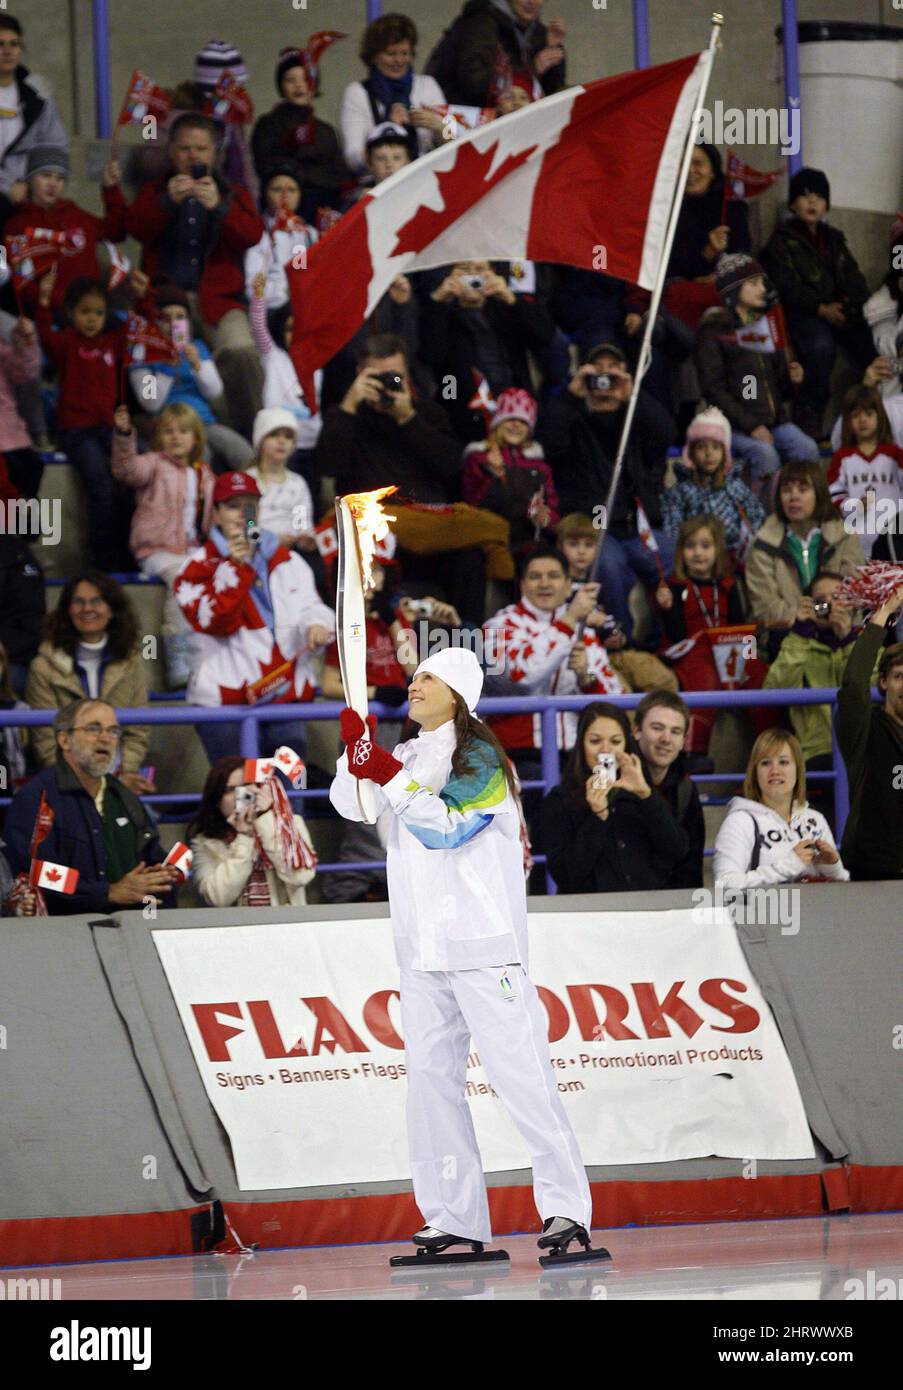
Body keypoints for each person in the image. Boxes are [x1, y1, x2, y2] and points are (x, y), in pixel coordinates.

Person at [330, 644, 598, 1260]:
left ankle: (566, 1214)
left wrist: (383, 772)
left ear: (458, 694)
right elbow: (352, 804)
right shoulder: (404, 754)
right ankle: (455, 1219)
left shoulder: (483, 760)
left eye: (428, 676)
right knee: (431, 1085)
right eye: (414, 674)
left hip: (484, 949)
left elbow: (444, 827)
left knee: (522, 1078)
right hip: (421, 953)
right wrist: (355, 755)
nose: (413, 682)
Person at [316, 333, 495, 625]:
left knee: (469, 561)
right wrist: (349, 404)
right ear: (360, 375)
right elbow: (328, 465)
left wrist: (408, 418)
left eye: (395, 377)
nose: (387, 385)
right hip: (374, 538)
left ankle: (467, 648)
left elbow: (451, 465)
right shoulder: (346, 416)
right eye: (378, 376)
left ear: (407, 375)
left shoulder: (427, 413)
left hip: (427, 534)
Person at [174, 470, 334, 766]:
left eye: (250, 505)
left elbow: (311, 605)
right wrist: (236, 566)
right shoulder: (194, 569)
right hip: (225, 704)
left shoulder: (288, 559)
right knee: (240, 798)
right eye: (233, 505)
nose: (242, 514)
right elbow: (215, 621)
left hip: (286, 698)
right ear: (216, 513)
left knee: (289, 796)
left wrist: (318, 623)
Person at [124, 113, 265, 440]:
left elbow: (252, 235)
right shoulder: (155, 189)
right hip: (163, 302)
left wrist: (220, 207)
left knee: (242, 351)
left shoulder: (232, 191)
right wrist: (165, 203)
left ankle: (245, 437)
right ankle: (161, 436)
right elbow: (134, 228)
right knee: (149, 358)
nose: (193, 156)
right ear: (171, 151)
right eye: (185, 148)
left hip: (218, 300)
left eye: (201, 148)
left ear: (215, 153)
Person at [537, 342, 677, 636]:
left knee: (676, 557)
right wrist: (570, 397)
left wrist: (632, 397)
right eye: (596, 372)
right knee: (610, 570)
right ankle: (617, 640)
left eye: (612, 371)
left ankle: (672, 640)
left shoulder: (633, 419)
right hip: (593, 529)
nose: (604, 380)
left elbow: (666, 433)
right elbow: (548, 444)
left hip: (636, 528)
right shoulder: (570, 417)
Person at [4, 698, 179, 914]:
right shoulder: (35, 798)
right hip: (67, 932)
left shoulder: (124, 797)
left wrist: (163, 875)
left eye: (113, 731)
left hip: (132, 925)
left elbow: (151, 852)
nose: (106, 738)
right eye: (94, 728)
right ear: (64, 740)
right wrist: (107, 892)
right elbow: (37, 872)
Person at [35, 266, 149, 571]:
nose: (92, 319)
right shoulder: (67, 343)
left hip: (110, 430)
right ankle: (103, 561)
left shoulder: (113, 342)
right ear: (71, 313)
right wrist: (44, 301)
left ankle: (129, 553)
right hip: (77, 432)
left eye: (98, 312)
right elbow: (45, 335)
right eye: (84, 311)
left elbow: (141, 324)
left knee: (130, 482)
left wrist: (142, 296)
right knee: (100, 487)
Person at [319, 560, 418, 904]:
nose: (371, 580)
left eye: (377, 572)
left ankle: (399, 881)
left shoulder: (394, 620)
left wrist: (392, 622)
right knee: (364, 809)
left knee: (402, 804)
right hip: (364, 730)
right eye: (364, 572)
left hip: (402, 731)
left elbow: (413, 667)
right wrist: (378, 694)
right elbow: (329, 683)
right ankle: (352, 888)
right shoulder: (345, 622)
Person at [483, 546, 624, 775]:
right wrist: (568, 621)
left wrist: (587, 679)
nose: (545, 584)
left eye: (554, 576)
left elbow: (614, 701)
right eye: (535, 576)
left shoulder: (584, 634)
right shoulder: (498, 626)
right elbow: (522, 676)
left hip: (574, 753)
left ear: (569, 585)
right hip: (514, 755)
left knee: (610, 781)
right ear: (522, 585)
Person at [761, 168, 873, 438]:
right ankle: (809, 417)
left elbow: (855, 279)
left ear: (826, 205)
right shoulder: (781, 240)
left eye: (819, 197)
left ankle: (876, 417)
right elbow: (785, 286)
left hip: (838, 312)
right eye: (804, 196)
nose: (812, 203)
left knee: (875, 345)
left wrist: (850, 305)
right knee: (820, 346)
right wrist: (822, 309)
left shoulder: (834, 239)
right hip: (803, 314)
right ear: (792, 204)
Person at [111, 402, 215, 690]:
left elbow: (214, 516)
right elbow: (126, 470)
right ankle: (177, 654)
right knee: (183, 579)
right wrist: (123, 436)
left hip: (191, 549)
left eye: (183, 431)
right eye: (168, 431)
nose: (176, 437)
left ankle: (209, 658)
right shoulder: (153, 463)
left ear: (196, 437)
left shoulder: (203, 473)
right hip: (156, 550)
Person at [695, 253, 819, 487]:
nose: (762, 288)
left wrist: (793, 377)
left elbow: (779, 386)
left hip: (775, 422)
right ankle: (764, 521)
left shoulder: (764, 326)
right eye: (753, 283)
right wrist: (751, 424)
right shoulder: (713, 331)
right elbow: (713, 389)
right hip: (734, 426)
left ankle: (805, 515)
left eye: (762, 282)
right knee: (765, 454)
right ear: (733, 289)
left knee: (807, 448)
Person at [540, 700, 689, 893]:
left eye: (615, 741)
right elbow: (565, 875)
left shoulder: (643, 792)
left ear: (627, 744)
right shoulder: (559, 799)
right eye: (595, 741)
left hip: (646, 910)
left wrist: (646, 795)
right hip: (588, 914)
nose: (606, 750)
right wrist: (598, 817)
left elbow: (678, 851)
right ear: (581, 744)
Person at [655, 514, 771, 762]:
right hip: (693, 651)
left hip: (730, 648)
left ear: (718, 551)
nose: (698, 553)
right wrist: (667, 608)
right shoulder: (674, 586)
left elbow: (741, 627)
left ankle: (772, 745)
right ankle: (694, 751)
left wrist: (751, 659)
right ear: (680, 551)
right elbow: (675, 634)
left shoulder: (728, 585)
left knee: (759, 674)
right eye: (690, 546)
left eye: (705, 546)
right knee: (704, 676)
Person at [25, 571, 152, 793]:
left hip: (118, 781)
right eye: (79, 602)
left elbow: (137, 733)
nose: (87, 609)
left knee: (141, 823)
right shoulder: (42, 667)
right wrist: (82, 782)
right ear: (67, 610)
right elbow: (45, 742)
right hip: (65, 784)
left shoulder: (132, 663)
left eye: (96, 601)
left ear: (112, 609)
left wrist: (121, 776)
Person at [763, 570, 867, 829]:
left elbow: (874, 688)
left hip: (863, 748)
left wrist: (847, 642)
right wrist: (800, 633)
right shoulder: (796, 643)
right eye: (822, 600)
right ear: (810, 604)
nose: (830, 605)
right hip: (815, 754)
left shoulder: (865, 641)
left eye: (839, 598)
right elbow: (774, 689)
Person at [420, 259, 560, 442]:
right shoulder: (443, 313)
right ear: (450, 276)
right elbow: (432, 354)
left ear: (493, 273)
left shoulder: (504, 307)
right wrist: (438, 300)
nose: (472, 277)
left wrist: (511, 298)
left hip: (514, 404)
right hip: (464, 409)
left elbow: (544, 336)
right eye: (464, 270)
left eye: (479, 270)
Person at [127, 280, 253, 474]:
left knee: (244, 454)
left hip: (205, 422)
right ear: (154, 322)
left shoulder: (197, 347)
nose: (173, 324)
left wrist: (198, 366)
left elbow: (215, 391)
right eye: (165, 318)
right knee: (202, 458)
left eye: (180, 317)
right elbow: (151, 402)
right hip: (172, 428)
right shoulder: (142, 354)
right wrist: (167, 368)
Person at [623, 143, 750, 335]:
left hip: (721, 296)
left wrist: (722, 275)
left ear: (713, 171)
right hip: (675, 294)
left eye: (698, 163)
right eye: (681, 164)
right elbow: (663, 265)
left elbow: (744, 258)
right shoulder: (662, 210)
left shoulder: (730, 207)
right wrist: (707, 253)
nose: (690, 171)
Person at [745, 459, 865, 659]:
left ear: (819, 493)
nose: (793, 497)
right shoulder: (762, 545)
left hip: (838, 634)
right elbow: (768, 608)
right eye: (786, 490)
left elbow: (851, 597)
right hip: (785, 641)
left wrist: (813, 615)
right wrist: (814, 617)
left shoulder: (845, 538)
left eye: (803, 489)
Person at [555, 511, 678, 696]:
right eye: (573, 544)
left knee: (664, 681)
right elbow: (552, 624)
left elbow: (610, 621)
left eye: (588, 545)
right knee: (620, 695)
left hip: (613, 652)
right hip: (583, 660)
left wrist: (616, 636)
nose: (581, 551)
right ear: (560, 547)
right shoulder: (556, 587)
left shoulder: (602, 584)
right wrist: (583, 618)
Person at [712, 728, 849, 889]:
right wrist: (789, 865)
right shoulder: (739, 822)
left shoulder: (815, 819)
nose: (775, 771)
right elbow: (724, 885)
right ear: (755, 773)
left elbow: (842, 885)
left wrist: (833, 866)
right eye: (765, 763)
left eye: (783, 762)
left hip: (815, 911)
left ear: (798, 770)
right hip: (761, 913)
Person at [5, 145, 126, 316]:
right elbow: (21, 281)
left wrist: (111, 189)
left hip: (90, 315)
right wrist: (56, 303)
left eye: (60, 178)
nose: (53, 184)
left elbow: (115, 231)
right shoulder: (18, 225)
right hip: (49, 316)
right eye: (46, 176)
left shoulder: (75, 214)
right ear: (30, 179)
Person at [834, 583, 903, 881]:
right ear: (884, 682)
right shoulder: (864, 731)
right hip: (872, 874)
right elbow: (853, 685)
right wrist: (883, 615)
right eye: (900, 676)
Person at [188, 755, 317, 908]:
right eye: (231, 790)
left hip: (285, 925)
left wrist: (264, 819)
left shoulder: (291, 824)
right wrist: (245, 838)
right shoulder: (205, 841)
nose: (242, 795)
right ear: (217, 799)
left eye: (247, 786)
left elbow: (300, 877)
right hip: (237, 928)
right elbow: (217, 898)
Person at [251, 42, 349, 225]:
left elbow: (338, 176)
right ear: (281, 86)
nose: (298, 85)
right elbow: (266, 166)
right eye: (290, 79)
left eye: (305, 79)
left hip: (322, 212)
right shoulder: (269, 124)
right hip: (281, 211)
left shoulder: (325, 131)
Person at [339, 13, 448, 177]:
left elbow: (457, 139)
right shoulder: (358, 93)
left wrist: (440, 126)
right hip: (379, 185)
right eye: (391, 54)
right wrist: (387, 130)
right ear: (374, 56)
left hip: (425, 180)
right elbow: (353, 158)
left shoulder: (427, 86)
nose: (398, 60)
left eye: (404, 53)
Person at [662, 406, 766, 569]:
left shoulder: (735, 486)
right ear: (690, 453)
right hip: (696, 560)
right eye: (701, 447)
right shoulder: (680, 491)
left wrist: (745, 545)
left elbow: (756, 516)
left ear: (725, 453)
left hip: (733, 559)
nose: (709, 454)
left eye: (716, 447)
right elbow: (672, 528)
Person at [461, 387, 558, 553]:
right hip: (488, 543)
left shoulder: (540, 467)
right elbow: (471, 506)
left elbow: (553, 512)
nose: (516, 424)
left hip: (529, 544)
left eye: (522, 421)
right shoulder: (479, 458)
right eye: (509, 418)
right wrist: (491, 476)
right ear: (497, 423)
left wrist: (544, 519)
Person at [426, 1, 567, 108]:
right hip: (461, 123)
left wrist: (552, 50)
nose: (530, 1)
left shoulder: (538, 32)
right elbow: (474, 84)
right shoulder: (479, 23)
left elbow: (552, 95)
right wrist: (531, 70)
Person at [632, 690, 705, 889]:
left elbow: (691, 868)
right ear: (636, 730)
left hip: (670, 910)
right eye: (657, 728)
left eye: (675, 732)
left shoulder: (686, 789)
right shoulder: (616, 782)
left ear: (683, 741)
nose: (666, 739)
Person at [0, 14, 68, 214]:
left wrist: (36, 184)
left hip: (23, 195)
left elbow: (54, 143)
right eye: (0, 44)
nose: (7, 51)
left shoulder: (37, 93)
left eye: (14, 44)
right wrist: (5, 187)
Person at [827, 385, 903, 559]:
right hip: (856, 538)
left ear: (880, 417)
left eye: (868, 414)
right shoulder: (842, 457)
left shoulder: (895, 454)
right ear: (847, 421)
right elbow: (834, 494)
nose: (862, 420)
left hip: (894, 537)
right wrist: (854, 506)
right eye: (855, 416)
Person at [244, 164, 318, 312]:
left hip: (306, 307)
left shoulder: (309, 233)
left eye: (292, 190)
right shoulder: (257, 233)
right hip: (271, 311)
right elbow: (253, 288)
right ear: (265, 194)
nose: (285, 195)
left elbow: (304, 271)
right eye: (277, 190)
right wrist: (286, 293)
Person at [0, 310, 43, 501]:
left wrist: (25, 343)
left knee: (32, 470)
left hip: (10, 434)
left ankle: (24, 528)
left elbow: (24, 373)